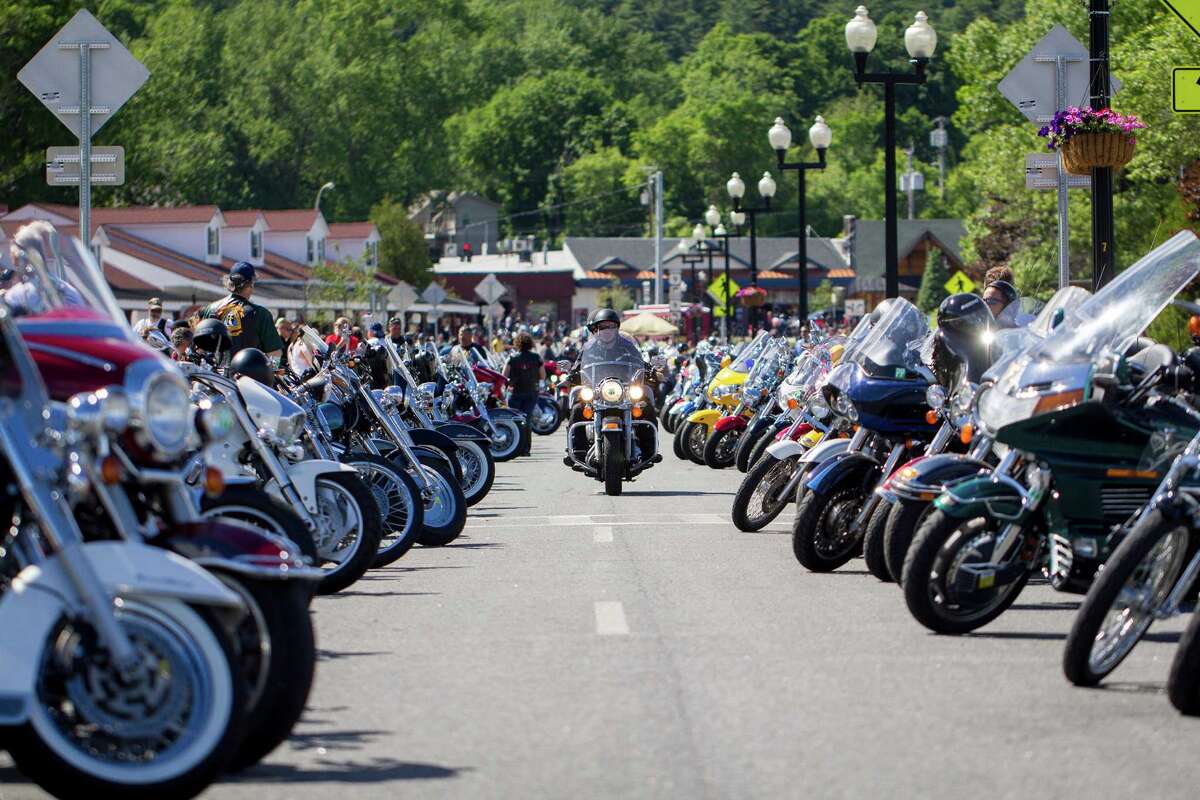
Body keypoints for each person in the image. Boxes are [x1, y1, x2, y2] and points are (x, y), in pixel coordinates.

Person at [199, 262, 283, 359]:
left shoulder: (210, 309)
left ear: (229, 282)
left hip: (214, 373)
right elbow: (275, 354)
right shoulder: (261, 314)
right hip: (249, 373)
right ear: (251, 283)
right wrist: (274, 371)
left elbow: (201, 349)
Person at [505, 331, 544, 420]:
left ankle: (518, 433)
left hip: (515, 392)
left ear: (517, 343)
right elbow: (543, 375)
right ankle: (526, 433)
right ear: (530, 343)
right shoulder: (536, 357)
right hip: (531, 392)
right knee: (527, 418)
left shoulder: (512, 357)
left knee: (515, 419)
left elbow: (504, 375)